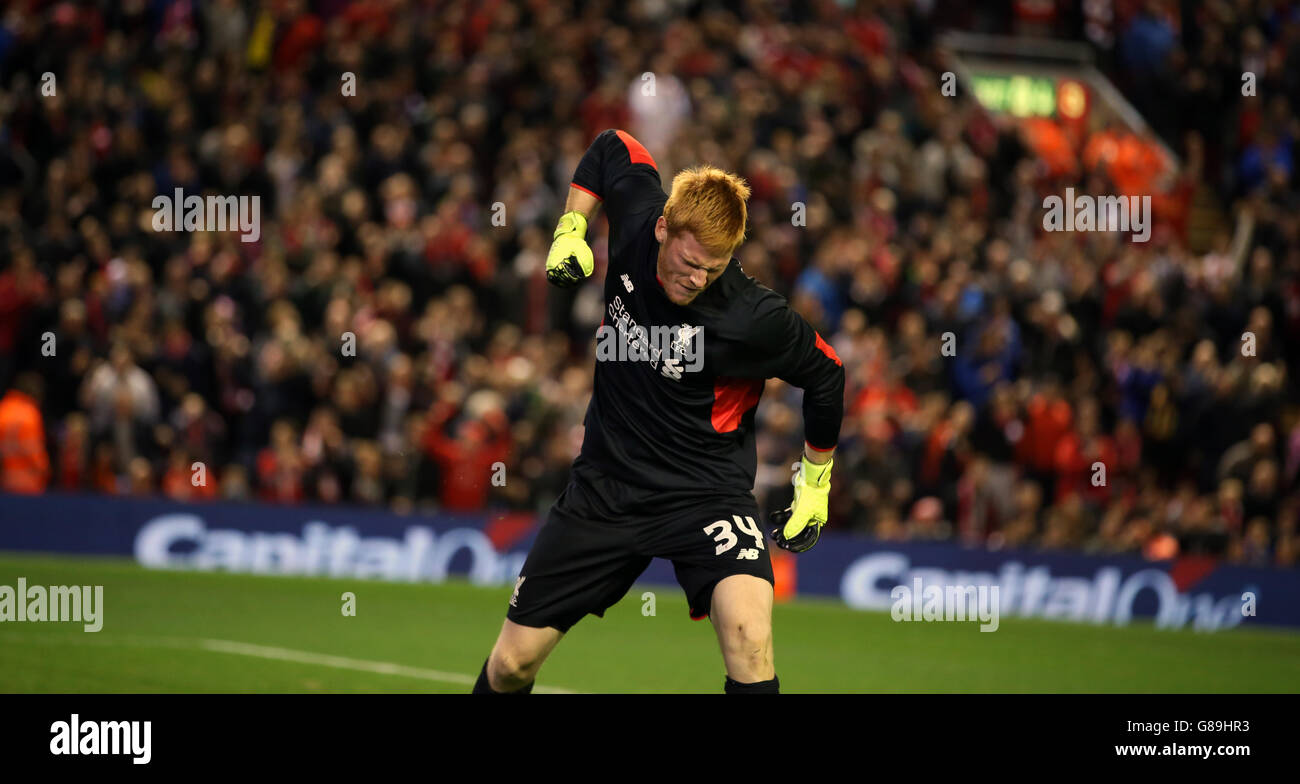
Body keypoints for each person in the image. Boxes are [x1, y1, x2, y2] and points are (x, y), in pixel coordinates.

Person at [473, 129, 845, 694]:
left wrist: (813, 484)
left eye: (714, 270)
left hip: (706, 493)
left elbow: (827, 374)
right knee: (510, 666)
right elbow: (611, 145)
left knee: (749, 638)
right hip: (606, 487)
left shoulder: (751, 316)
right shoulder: (635, 215)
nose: (698, 280)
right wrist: (571, 228)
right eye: (692, 262)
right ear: (664, 227)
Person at [0, 373, 50, 494]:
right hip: (29, 483)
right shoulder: (29, 413)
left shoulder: (3, 409)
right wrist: (45, 470)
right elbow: (33, 450)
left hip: (5, 481)